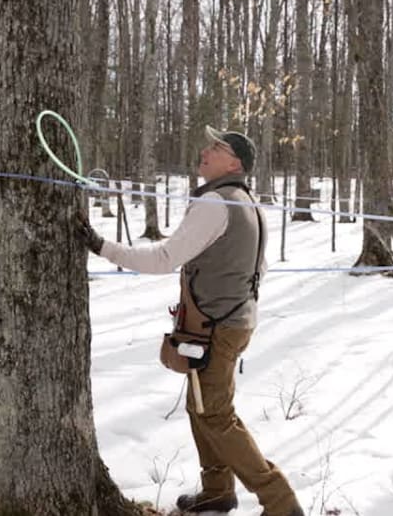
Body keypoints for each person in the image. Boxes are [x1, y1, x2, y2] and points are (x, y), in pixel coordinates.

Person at [77, 126, 304, 516]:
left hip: (217, 327)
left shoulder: (216, 202)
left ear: (234, 163)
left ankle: (281, 503)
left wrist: (101, 247)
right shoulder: (248, 202)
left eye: (216, 148)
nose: (205, 151)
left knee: (214, 414)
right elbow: (259, 267)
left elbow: (164, 259)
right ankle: (218, 491)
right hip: (230, 323)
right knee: (202, 407)